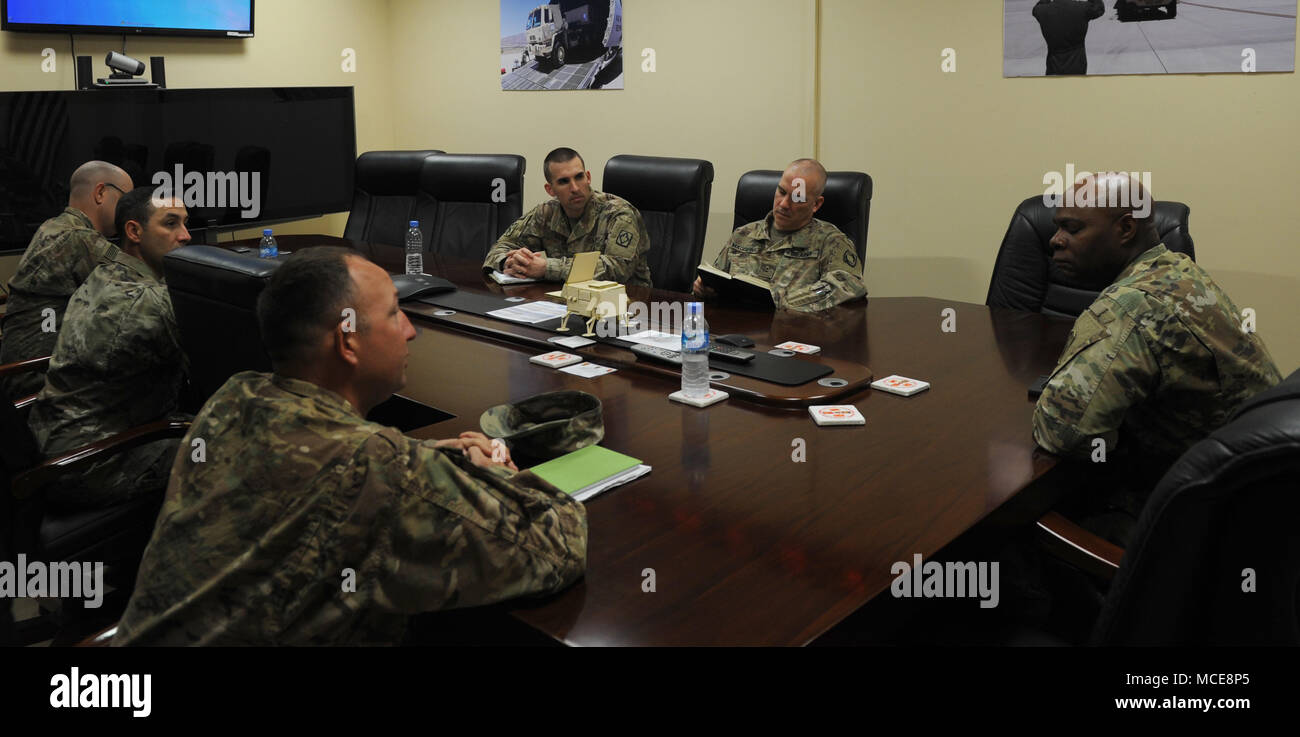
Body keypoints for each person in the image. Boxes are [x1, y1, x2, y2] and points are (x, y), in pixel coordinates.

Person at [114, 247, 587, 645]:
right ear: (348, 342)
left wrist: (423, 463)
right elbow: (559, 548)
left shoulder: (236, 396)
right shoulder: (375, 465)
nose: (410, 330)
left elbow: (328, 468)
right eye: (395, 314)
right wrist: (496, 466)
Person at [1032, 172, 1281, 544]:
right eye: (1057, 228)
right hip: (1257, 491)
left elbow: (1065, 434)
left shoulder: (1131, 306)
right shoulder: (1177, 269)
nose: (1055, 241)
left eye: (1072, 228)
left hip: (1194, 512)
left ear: (1126, 228)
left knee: (1007, 526)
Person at [26, 187, 192, 509]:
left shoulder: (104, 274)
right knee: (225, 445)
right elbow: (213, 363)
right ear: (134, 231)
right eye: (171, 223)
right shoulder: (151, 301)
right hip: (89, 463)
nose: (185, 235)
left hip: (49, 444)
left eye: (186, 223)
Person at [1, 161, 132, 398]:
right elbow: (138, 281)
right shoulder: (78, 238)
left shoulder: (53, 227)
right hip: (40, 378)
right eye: (125, 201)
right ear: (101, 192)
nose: (128, 212)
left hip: (23, 372)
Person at [692, 158, 866, 312]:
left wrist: (781, 300)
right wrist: (703, 287)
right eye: (782, 192)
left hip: (792, 335)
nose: (783, 204)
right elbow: (717, 279)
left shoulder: (830, 242)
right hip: (734, 331)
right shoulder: (744, 234)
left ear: (816, 204)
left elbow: (848, 285)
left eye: (797, 198)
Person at [482, 147, 652, 286]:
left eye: (579, 177)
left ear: (588, 178)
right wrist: (509, 262)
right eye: (564, 181)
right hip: (566, 302)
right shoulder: (545, 213)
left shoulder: (619, 213)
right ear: (550, 190)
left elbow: (617, 269)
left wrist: (547, 268)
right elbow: (501, 246)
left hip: (629, 306)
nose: (575, 188)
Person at [1033, 0, 1105, 76]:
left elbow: (1037, 9)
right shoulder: (1081, 8)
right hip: (1077, 64)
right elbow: (1099, 7)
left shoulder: (1042, 10)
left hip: (1053, 65)